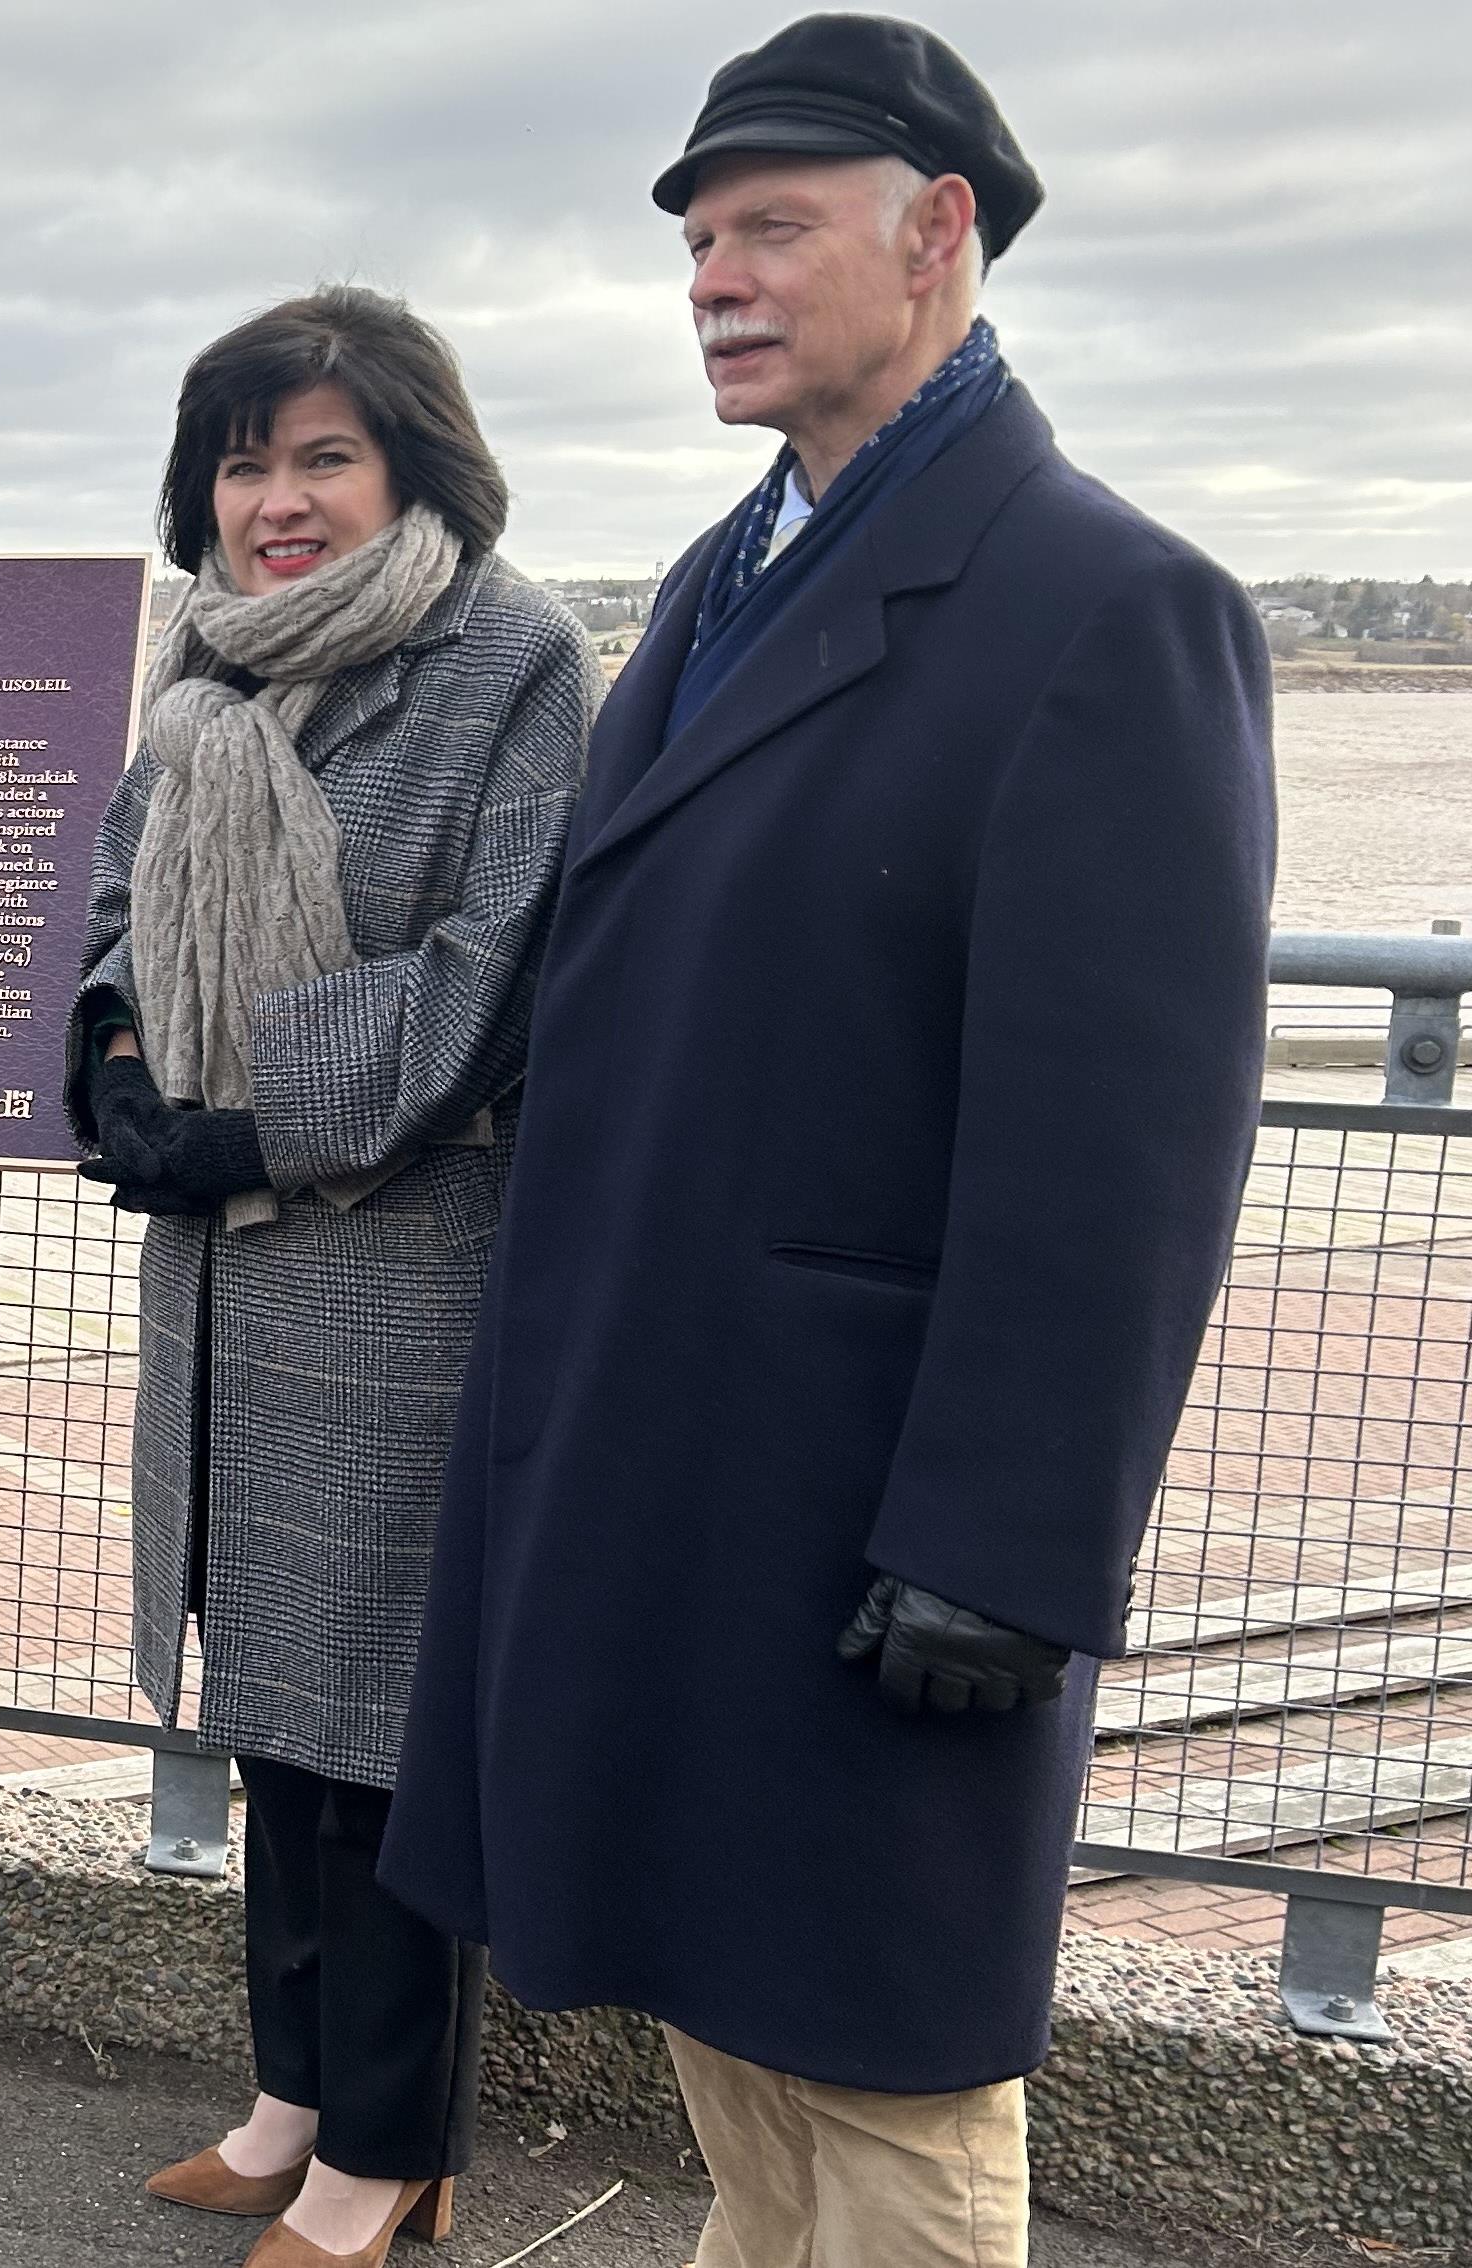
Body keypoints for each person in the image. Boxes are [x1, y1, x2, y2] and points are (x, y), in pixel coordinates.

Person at [379, 19, 1275, 2265]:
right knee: (740, 2056)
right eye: (699, 242)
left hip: (876, 1507)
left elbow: (1126, 1145)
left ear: (939, 231)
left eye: (770, 228)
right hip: (666, 1447)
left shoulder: (1109, 604)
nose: (714, 280)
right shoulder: (722, 576)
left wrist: (1008, 1547)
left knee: (890, 2093)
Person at [68, 288, 598, 2268]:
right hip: (226, 1281)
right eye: (242, 463)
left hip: (400, 1264)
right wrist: (116, 1059)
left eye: (322, 457)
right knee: (270, 1713)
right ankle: (293, 2096)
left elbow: (494, 972)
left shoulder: (512, 659)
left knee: (378, 1731)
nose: (276, 502)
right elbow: (118, 898)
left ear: (414, 468)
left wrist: (247, 1118)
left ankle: (390, 2148)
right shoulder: (209, 665)